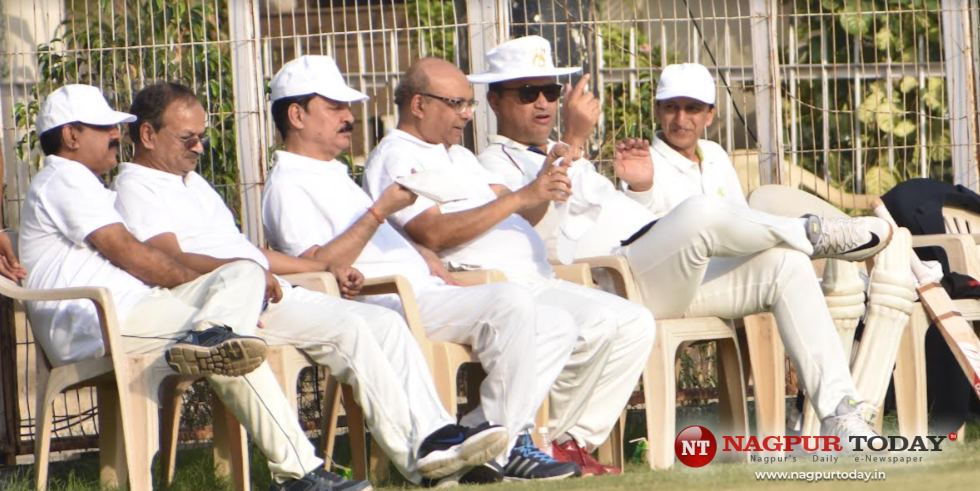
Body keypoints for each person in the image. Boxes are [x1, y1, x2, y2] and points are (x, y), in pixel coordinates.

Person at [475, 39, 889, 442]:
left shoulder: (562, 153)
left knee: (788, 266)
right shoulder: (492, 164)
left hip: (662, 272)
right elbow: (526, 220)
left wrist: (631, 184)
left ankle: (840, 413)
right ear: (495, 102)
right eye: (529, 93)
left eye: (550, 91)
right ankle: (810, 232)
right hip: (615, 285)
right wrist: (577, 140)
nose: (543, 103)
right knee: (700, 210)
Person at [111, 80, 507, 487]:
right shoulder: (136, 186)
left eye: (202, 137)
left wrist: (315, 267)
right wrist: (243, 274)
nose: (198, 147)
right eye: (187, 138)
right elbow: (170, 259)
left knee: (382, 323)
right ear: (147, 134)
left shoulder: (192, 182)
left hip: (260, 289)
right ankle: (419, 460)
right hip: (218, 303)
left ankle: (433, 439)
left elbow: (251, 251)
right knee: (352, 328)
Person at [20, 84, 369, 491]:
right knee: (228, 339)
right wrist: (204, 290)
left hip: (129, 315)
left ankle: (216, 341)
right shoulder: (65, 177)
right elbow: (127, 251)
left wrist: (218, 295)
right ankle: (298, 472)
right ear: (71, 136)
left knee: (243, 278)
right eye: (105, 128)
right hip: (96, 323)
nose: (117, 135)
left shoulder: (78, 182)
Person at [261, 55, 581, 484]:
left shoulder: (332, 173)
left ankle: (481, 438)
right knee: (512, 300)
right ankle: (493, 447)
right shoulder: (288, 183)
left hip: (423, 289)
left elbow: (372, 238)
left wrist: (417, 251)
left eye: (347, 106)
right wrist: (379, 212)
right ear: (297, 115)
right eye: (334, 107)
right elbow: (320, 265)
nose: (348, 116)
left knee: (558, 323)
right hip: (391, 299)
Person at [363, 57, 657, 476]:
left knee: (633, 322)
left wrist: (543, 180)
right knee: (563, 318)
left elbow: (519, 212)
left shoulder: (458, 157)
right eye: (456, 104)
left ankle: (536, 439)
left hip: (531, 278)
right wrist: (522, 197)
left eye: (468, 103)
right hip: (476, 282)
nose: (467, 113)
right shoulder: (397, 155)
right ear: (419, 105)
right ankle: (516, 441)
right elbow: (432, 233)